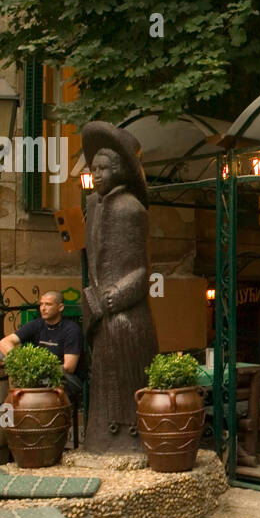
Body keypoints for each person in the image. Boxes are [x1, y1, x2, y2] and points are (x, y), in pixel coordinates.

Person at [81, 121, 160, 454]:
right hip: (101, 313)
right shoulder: (93, 207)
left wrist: (115, 297)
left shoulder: (130, 209)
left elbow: (141, 272)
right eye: (93, 168)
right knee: (102, 378)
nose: (97, 174)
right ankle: (102, 439)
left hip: (123, 313)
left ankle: (129, 439)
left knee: (128, 378)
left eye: (104, 168)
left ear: (119, 170)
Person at [0, 291, 85, 404]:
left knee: (42, 379)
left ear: (60, 307)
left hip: (66, 378)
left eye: (48, 304)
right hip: (39, 374)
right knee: (1, 355)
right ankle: (17, 401)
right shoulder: (37, 324)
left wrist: (38, 370)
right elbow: (4, 342)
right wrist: (22, 363)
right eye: (41, 304)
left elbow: (69, 367)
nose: (43, 308)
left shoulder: (71, 329)